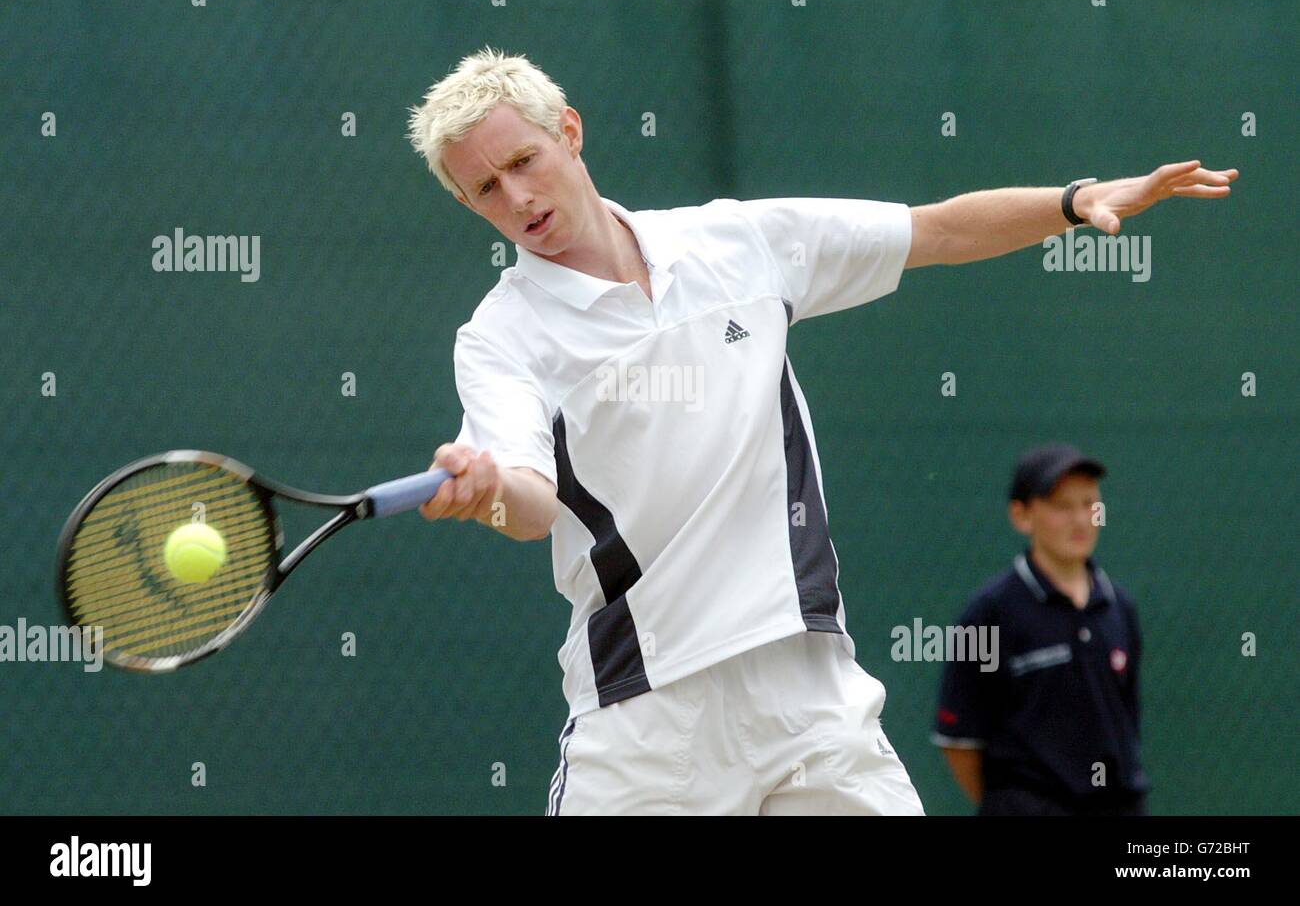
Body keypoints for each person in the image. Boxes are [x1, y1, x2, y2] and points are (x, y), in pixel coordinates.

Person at [405, 47, 1234, 815]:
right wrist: (488, 491)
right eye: (484, 188)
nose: (515, 197)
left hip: (811, 695)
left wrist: (1072, 204)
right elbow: (531, 503)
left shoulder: (737, 242)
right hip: (646, 720)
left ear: (570, 133)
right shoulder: (499, 337)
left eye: (524, 161)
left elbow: (935, 229)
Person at [932, 444, 1151, 815]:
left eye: (1089, 504)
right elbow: (959, 741)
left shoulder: (1120, 607)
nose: (1081, 519)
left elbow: (1126, 723)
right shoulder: (989, 613)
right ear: (1022, 516)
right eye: (1063, 506)